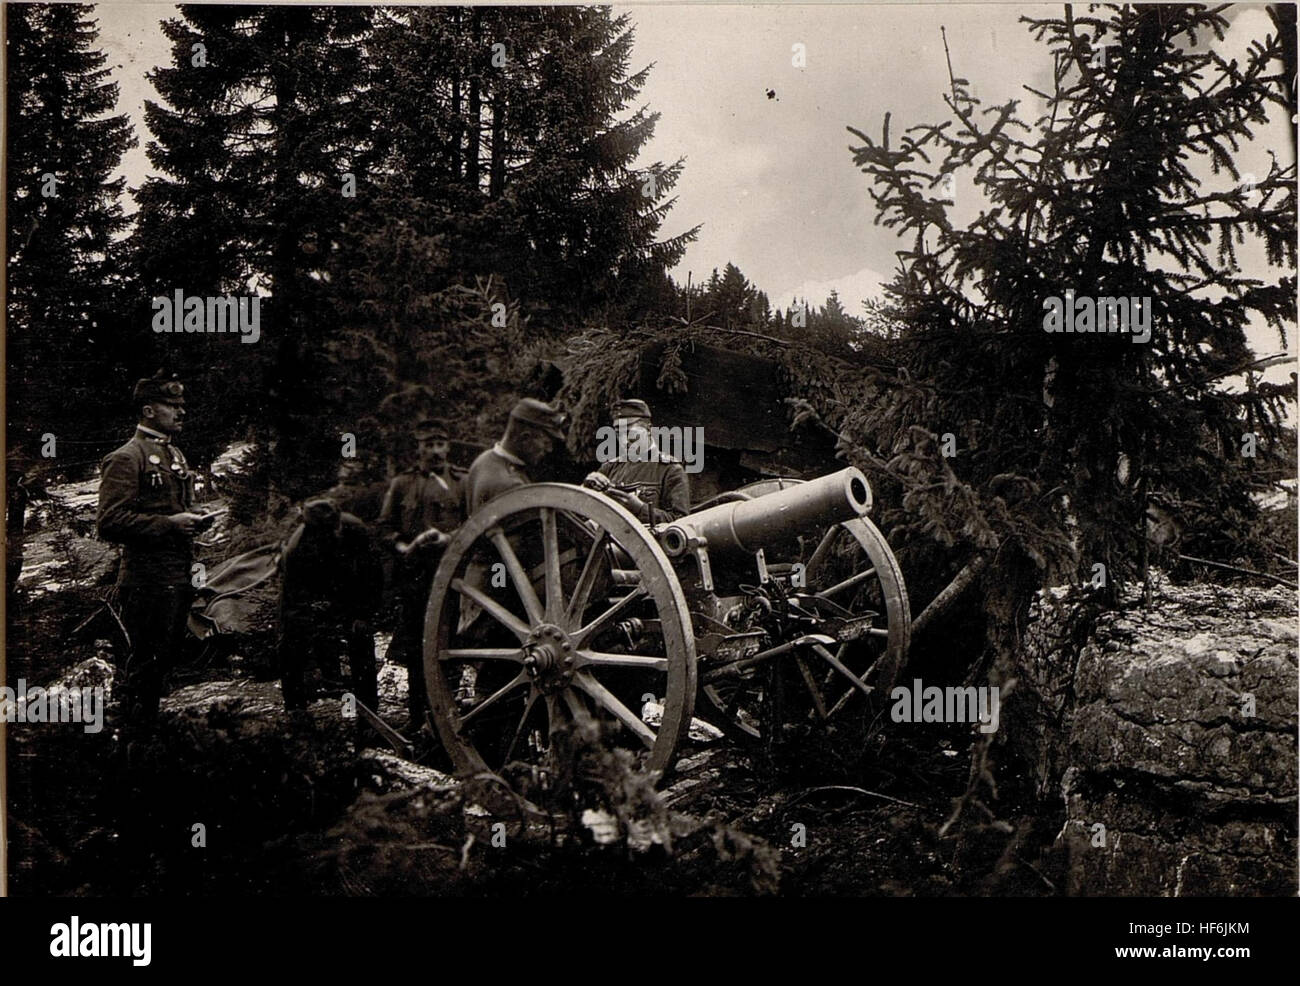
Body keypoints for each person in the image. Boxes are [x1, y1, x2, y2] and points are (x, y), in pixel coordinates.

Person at [96, 371, 212, 743]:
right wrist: (170, 523)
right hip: (146, 580)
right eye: (172, 406)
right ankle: (132, 745)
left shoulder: (174, 454)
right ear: (148, 410)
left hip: (175, 577)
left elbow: (177, 511)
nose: (181, 412)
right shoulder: (127, 458)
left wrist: (194, 521)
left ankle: (148, 744)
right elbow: (110, 522)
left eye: (182, 406)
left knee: (165, 665)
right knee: (146, 666)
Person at [379, 418, 464, 732]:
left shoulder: (461, 482)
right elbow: (385, 528)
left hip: (454, 576)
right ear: (419, 448)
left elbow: (477, 522)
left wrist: (450, 539)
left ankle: (450, 719)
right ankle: (418, 720)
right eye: (429, 445)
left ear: (448, 446)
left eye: (440, 444)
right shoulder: (403, 484)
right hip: (415, 579)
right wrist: (402, 546)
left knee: (451, 645)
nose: (436, 451)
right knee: (417, 650)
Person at [278, 498, 382, 713]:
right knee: (291, 643)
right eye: (327, 531)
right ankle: (295, 710)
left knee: (361, 640)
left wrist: (363, 614)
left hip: (351, 588)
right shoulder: (297, 550)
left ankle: (368, 714)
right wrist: (307, 625)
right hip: (314, 590)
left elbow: (374, 575)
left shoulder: (356, 530)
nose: (335, 532)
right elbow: (294, 601)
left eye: (336, 527)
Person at [583, 398, 690, 523]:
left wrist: (639, 509)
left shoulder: (670, 470)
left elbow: (680, 522)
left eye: (629, 433)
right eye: (618, 434)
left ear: (648, 430)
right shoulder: (610, 467)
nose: (624, 441)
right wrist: (586, 489)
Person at [463, 398, 567, 515]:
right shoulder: (510, 485)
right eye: (546, 443)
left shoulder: (483, 460)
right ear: (525, 438)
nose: (549, 449)